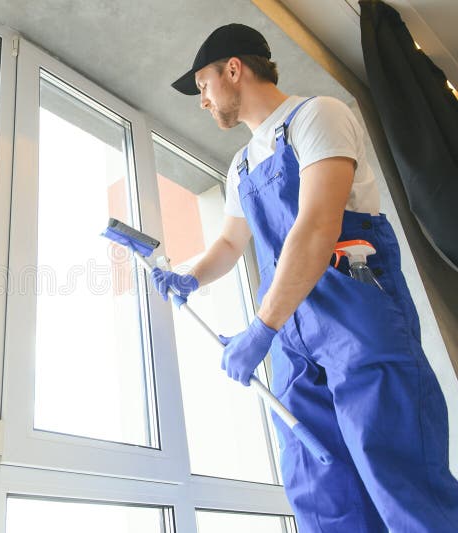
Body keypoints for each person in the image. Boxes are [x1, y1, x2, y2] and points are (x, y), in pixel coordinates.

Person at [151, 23, 458, 532]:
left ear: (234, 69)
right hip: (291, 343)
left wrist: (260, 328)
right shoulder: (242, 167)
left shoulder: (317, 116)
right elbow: (229, 244)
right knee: (323, 495)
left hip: (356, 324)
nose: (202, 100)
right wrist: (191, 277)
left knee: (397, 477)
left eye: (203, 84)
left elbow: (317, 226)